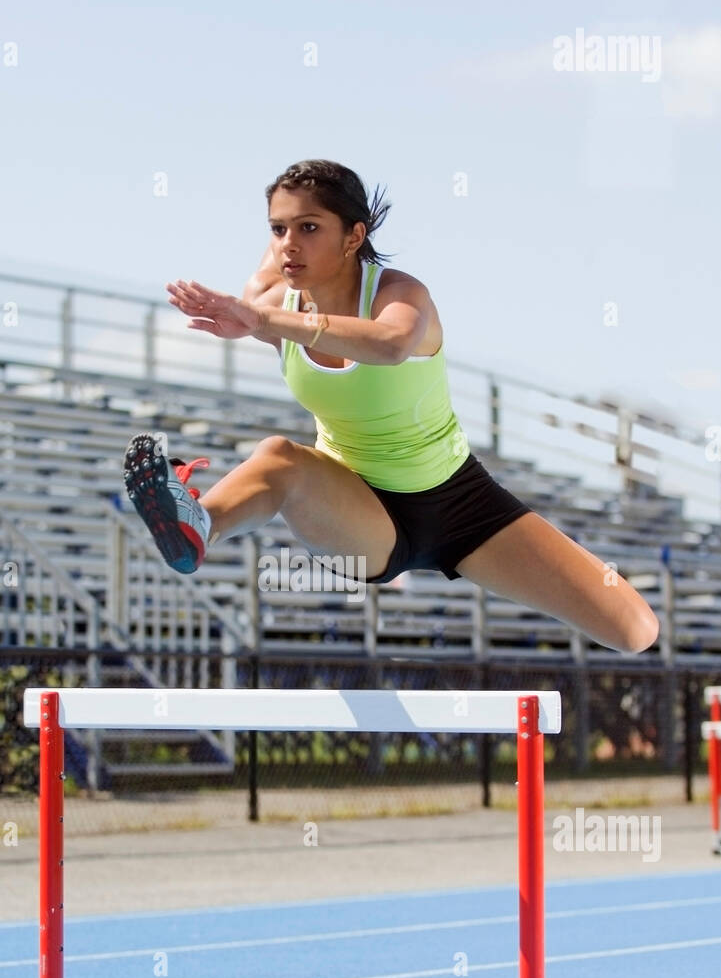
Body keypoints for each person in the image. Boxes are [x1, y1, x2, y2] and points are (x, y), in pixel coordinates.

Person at [124, 159, 658, 653]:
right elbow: (270, 278)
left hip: (463, 506)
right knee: (279, 456)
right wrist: (262, 309)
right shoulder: (268, 300)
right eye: (277, 229)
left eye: (309, 228)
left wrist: (262, 322)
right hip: (357, 508)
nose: (289, 245)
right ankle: (198, 525)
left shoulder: (399, 296)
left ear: (354, 236)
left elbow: (389, 344)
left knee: (635, 631)